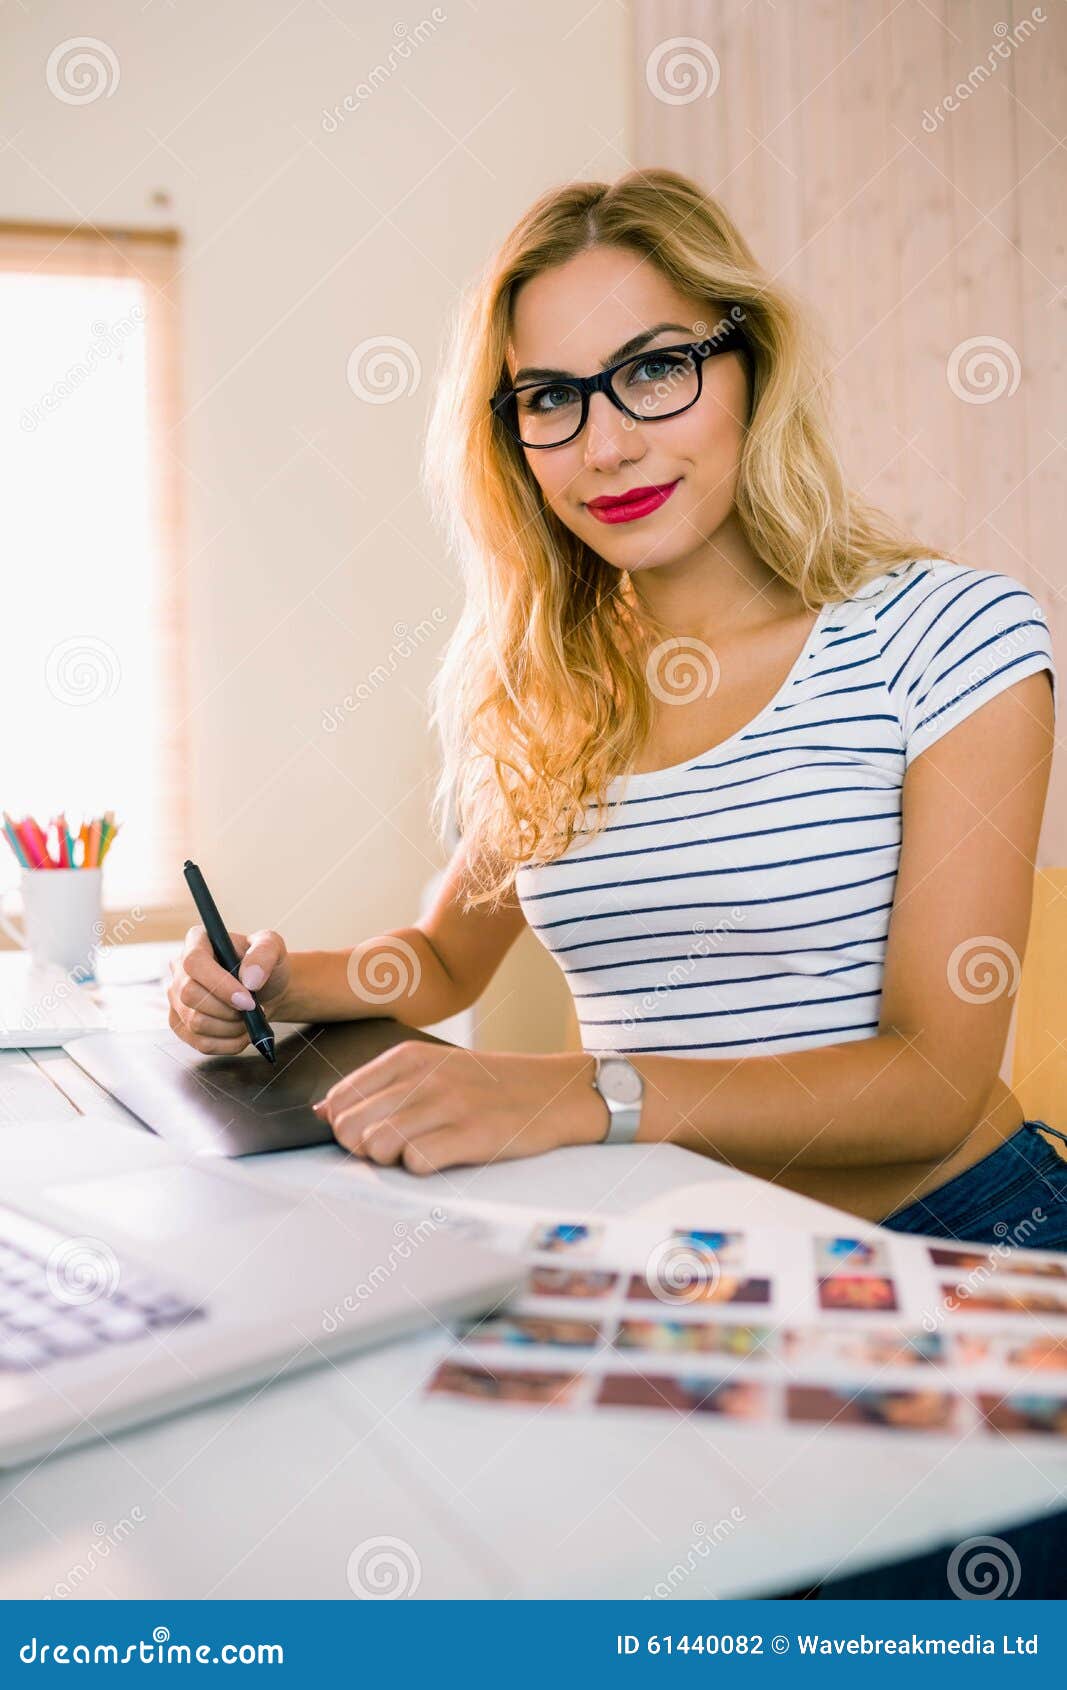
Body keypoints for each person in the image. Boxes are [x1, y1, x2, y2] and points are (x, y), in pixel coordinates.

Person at [167, 166, 1064, 1254]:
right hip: (666, 1253)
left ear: (751, 365)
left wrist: (576, 1092)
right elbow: (443, 962)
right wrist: (266, 981)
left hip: (954, 1239)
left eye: (653, 368)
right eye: (550, 396)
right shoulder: (548, 686)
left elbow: (930, 1085)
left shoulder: (946, 632)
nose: (604, 446)